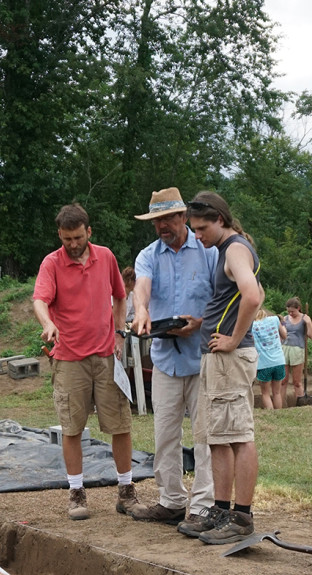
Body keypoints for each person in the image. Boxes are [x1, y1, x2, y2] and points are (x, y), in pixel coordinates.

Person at [33, 203, 141, 520]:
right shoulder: (51, 263)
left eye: (78, 237)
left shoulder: (105, 257)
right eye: (67, 239)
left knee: (120, 424)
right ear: (60, 235)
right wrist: (47, 323)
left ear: (88, 232)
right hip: (69, 359)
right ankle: (76, 493)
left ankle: (126, 490)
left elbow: (120, 296)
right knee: (72, 427)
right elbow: (40, 300)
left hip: (106, 356)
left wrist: (119, 333)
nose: (73, 244)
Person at [127, 187, 217, 526]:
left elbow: (223, 298)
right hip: (165, 358)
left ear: (183, 217)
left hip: (203, 357)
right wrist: (141, 311)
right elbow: (142, 287)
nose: (162, 226)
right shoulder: (148, 255)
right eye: (156, 221)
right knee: (165, 433)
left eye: (167, 219)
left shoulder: (208, 251)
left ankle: (204, 506)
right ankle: (172, 501)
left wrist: (200, 324)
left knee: (206, 436)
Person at [177, 191, 264, 544]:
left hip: (229, 359)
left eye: (202, 228)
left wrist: (232, 338)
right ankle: (221, 510)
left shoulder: (235, 249)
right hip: (218, 360)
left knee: (238, 436)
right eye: (194, 229)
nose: (197, 235)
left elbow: (253, 296)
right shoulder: (227, 249)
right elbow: (251, 294)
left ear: (221, 220)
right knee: (218, 439)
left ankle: (241, 517)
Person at [279, 297, 312, 407]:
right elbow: (281, 335)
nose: (290, 313)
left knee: (297, 382)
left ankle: (300, 405)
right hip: (284, 349)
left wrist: (308, 323)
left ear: (298, 308)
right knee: (283, 381)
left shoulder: (305, 318)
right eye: (288, 311)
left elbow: (311, 336)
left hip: (298, 350)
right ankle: (281, 406)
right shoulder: (285, 319)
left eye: (292, 311)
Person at [251, 307, 287, 410]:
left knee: (265, 393)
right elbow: (284, 335)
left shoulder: (252, 325)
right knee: (277, 392)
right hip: (279, 361)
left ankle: (270, 415)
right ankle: (278, 414)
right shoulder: (275, 319)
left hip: (264, 363)